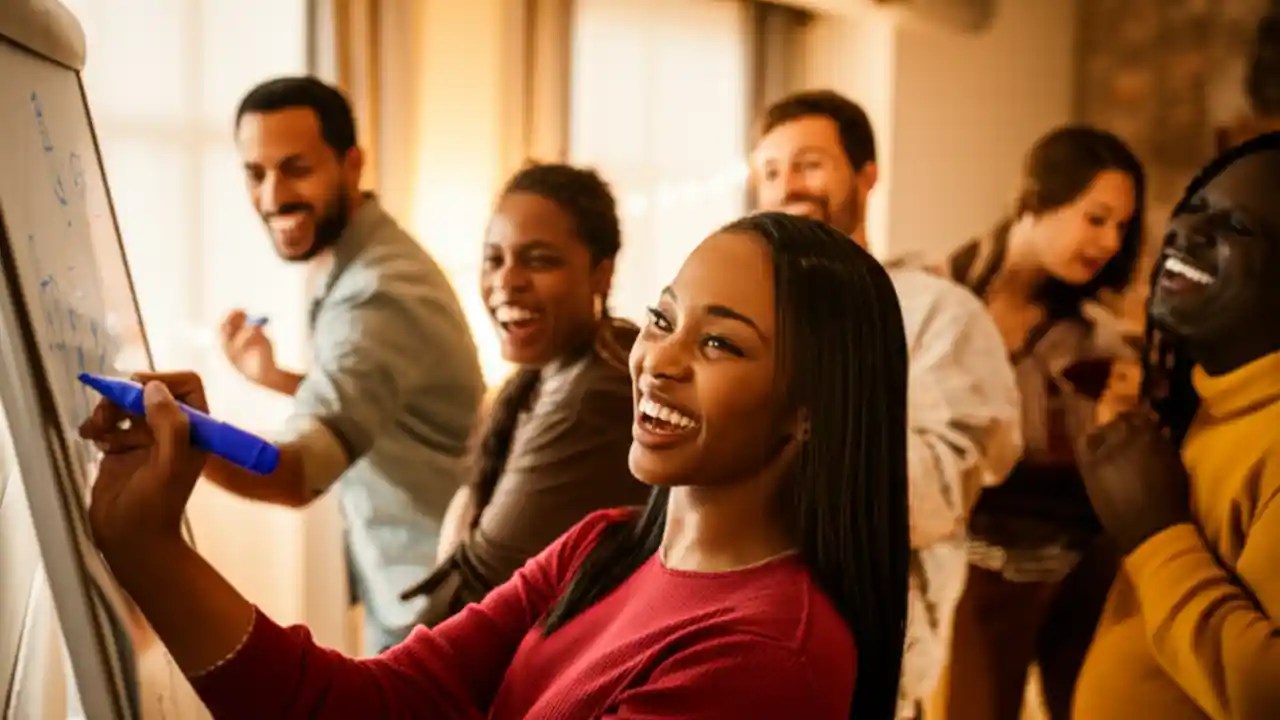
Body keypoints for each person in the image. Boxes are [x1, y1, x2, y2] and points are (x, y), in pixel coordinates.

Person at [80, 212, 910, 719]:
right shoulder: (601, 547)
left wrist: (153, 553)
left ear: (812, 409)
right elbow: (377, 706)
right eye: (662, 319)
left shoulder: (767, 655)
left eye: (720, 342)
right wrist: (150, 551)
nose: (659, 360)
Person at [751, 89, 1022, 717]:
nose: (788, 184)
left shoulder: (936, 313)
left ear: (866, 174)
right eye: (770, 171)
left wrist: (783, 429)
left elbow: (940, 490)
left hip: (867, 648)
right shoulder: (744, 310)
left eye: (810, 163)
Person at [214, 76, 483, 654]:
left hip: (439, 607)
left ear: (352, 164)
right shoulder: (355, 259)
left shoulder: (378, 293)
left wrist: (178, 430)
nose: (270, 198)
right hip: (412, 587)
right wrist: (277, 378)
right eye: (255, 173)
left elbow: (295, 473)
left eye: (296, 169)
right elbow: (376, 400)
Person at [938, 126, 1144, 720]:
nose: (1110, 241)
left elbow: (1117, 459)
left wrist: (1126, 414)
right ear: (1036, 201)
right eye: (1096, 218)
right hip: (975, 565)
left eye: (1122, 227)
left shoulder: (1101, 325)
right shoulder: (943, 295)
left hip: (1084, 565)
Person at [1071, 131, 1280, 719]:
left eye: (1236, 228)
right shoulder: (1212, 405)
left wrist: (1154, 531)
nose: (1186, 234)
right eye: (1192, 212)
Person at [403, 163, 650, 626]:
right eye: (494, 259)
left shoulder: (598, 393)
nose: (507, 281)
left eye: (539, 260)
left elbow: (477, 594)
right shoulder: (545, 375)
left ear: (602, 272)